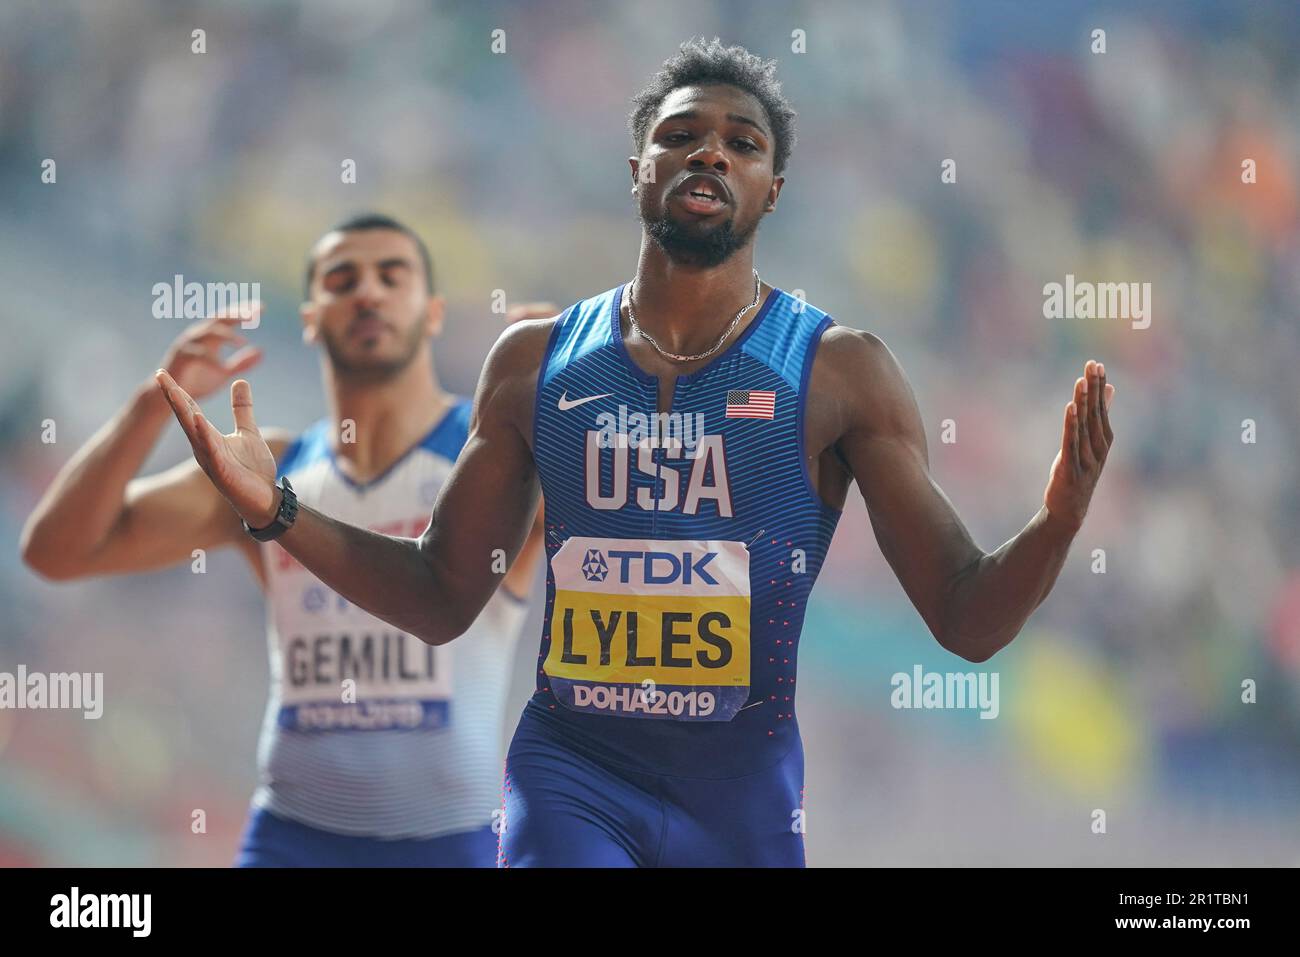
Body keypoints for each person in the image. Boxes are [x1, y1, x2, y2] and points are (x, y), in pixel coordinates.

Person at [150, 40, 1116, 867]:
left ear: (772, 189)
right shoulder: (535, 365)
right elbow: (442, 595)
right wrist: (276, 508)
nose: (709, 152)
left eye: (743, 143)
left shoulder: (838, 373)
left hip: (741, 798)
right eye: (680, 134)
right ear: (638, 167)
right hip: (572, 771)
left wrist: (1059, 520)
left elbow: (966, 617)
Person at [21, 213, 548, 867]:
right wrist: (153, 403)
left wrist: (565, 391)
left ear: (432, 313)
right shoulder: (265, 467)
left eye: (392, 275)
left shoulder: (497, 460)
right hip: (290, 839)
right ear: (308, 318)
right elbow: (57, 550)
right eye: (341, 278)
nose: (368, 294)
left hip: (447, 840)